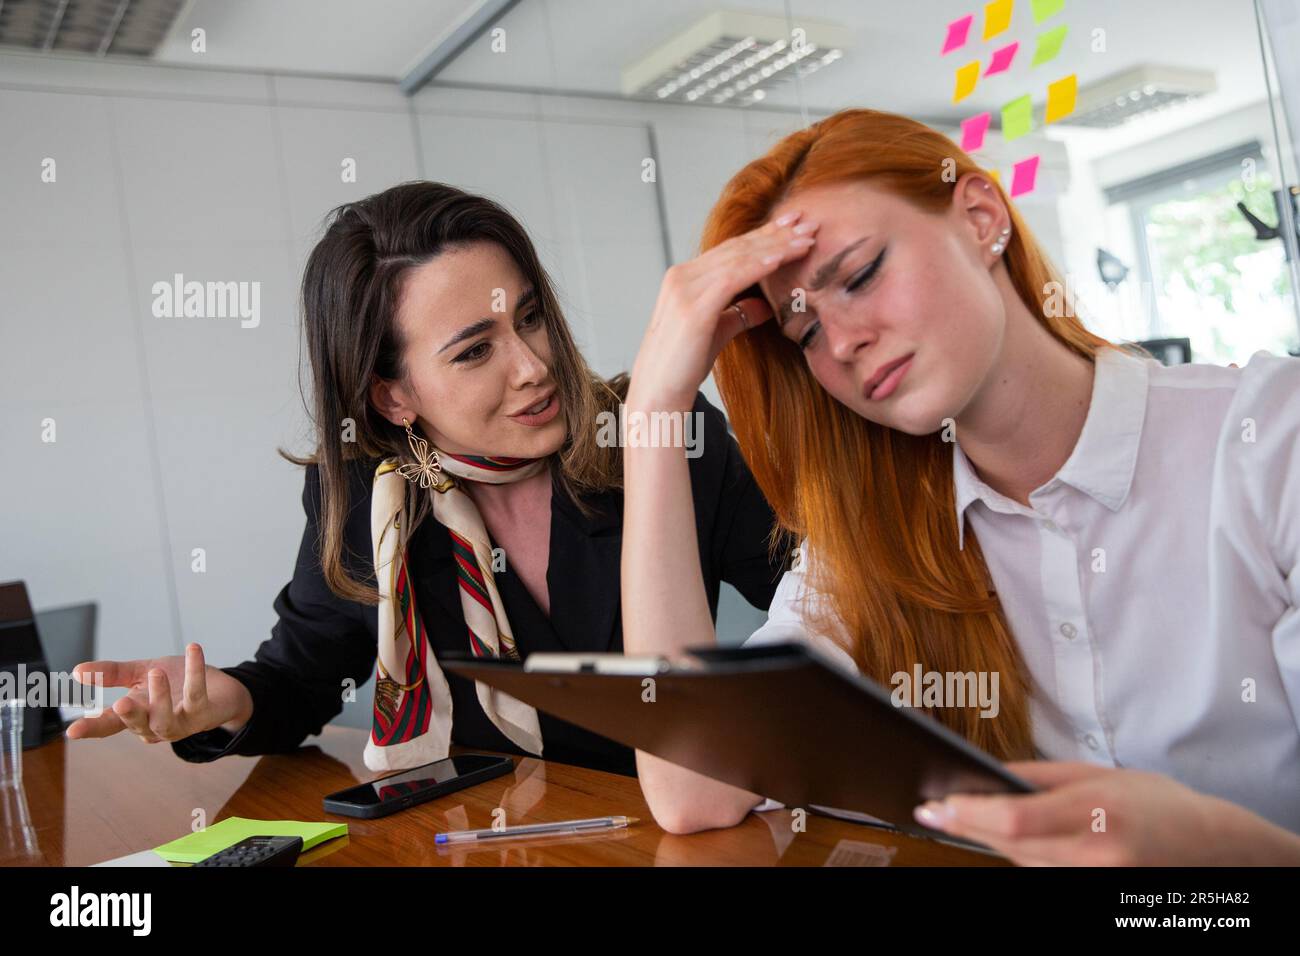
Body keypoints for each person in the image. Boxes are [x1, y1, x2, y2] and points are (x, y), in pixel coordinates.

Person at [620, 108, 1300, 864]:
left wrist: (1197, 843)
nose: (842, 342)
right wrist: (654, 410)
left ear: (980, 219)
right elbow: (693, 790)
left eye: (860, 274)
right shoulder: (866, 535)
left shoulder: (1270, 440)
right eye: (805, 331)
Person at [68, 182, 788, 777]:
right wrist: (221, 700)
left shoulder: (665, 435)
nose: (534, 365)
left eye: (530, 316)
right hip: (497, 837)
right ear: (392, 396)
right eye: (475, 351)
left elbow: (821, 604)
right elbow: (300, 680)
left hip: (683, 823)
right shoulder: (363, 498)